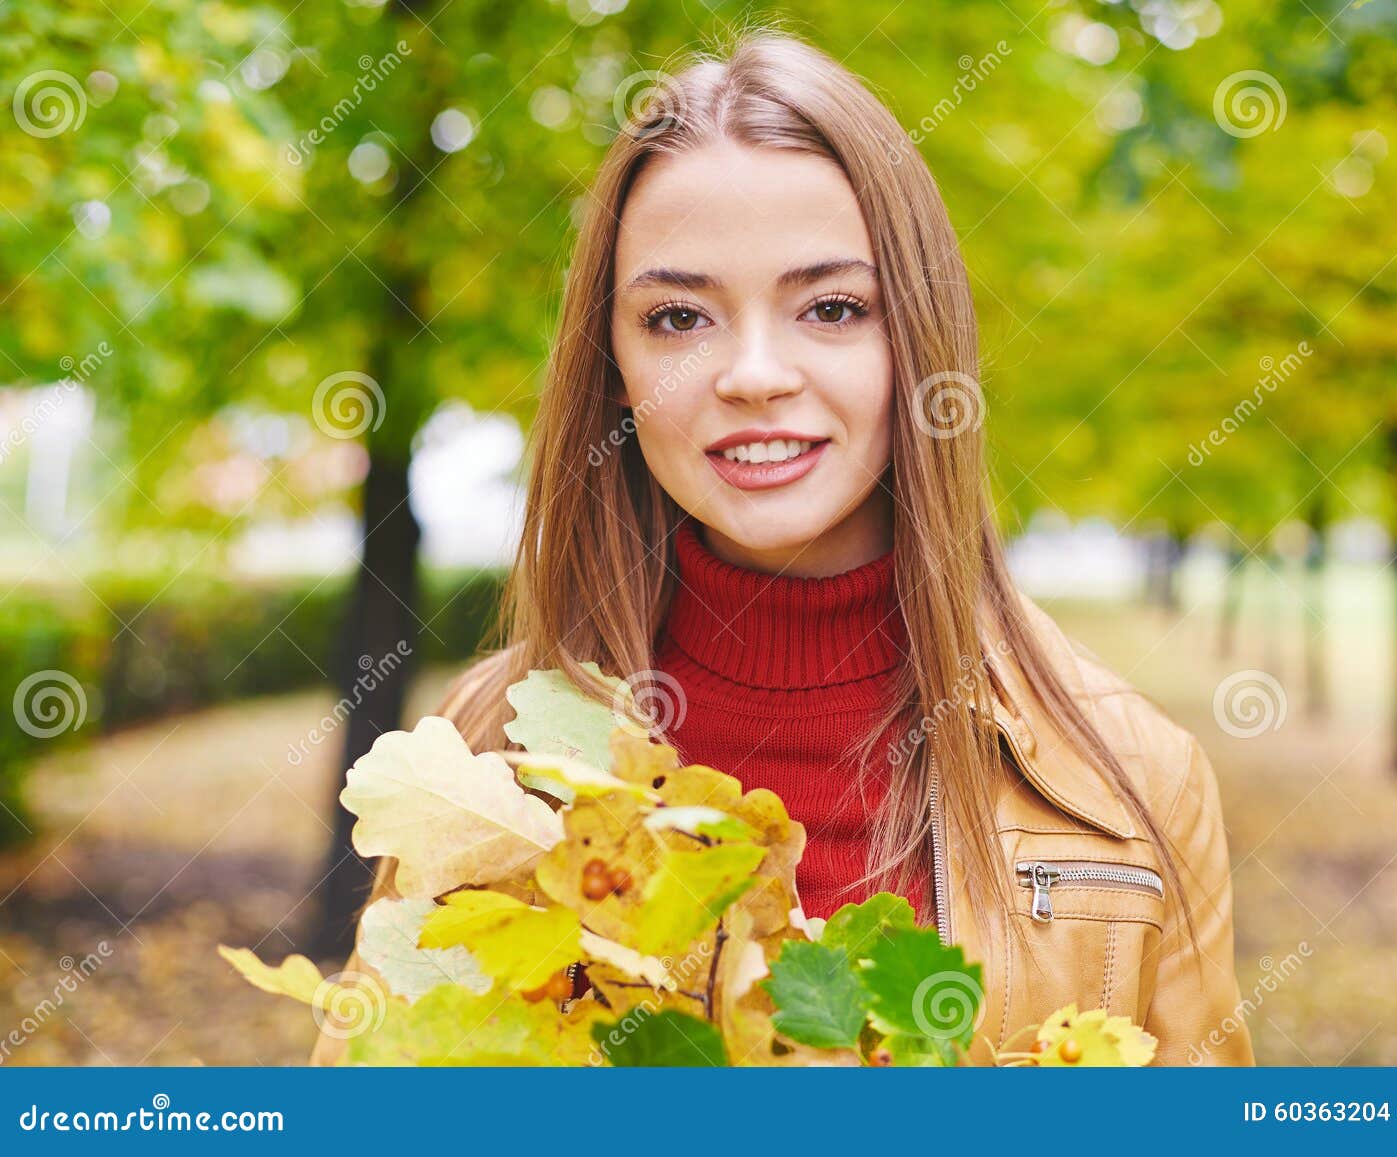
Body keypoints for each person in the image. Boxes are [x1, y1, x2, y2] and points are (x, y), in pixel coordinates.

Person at [311, 30, 1252, 1067]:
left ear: (918, 344)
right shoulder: (484, 751)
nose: (754, 373)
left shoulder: (1128, 782)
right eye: (678, 316)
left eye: (832, 308)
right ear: (613, 367)